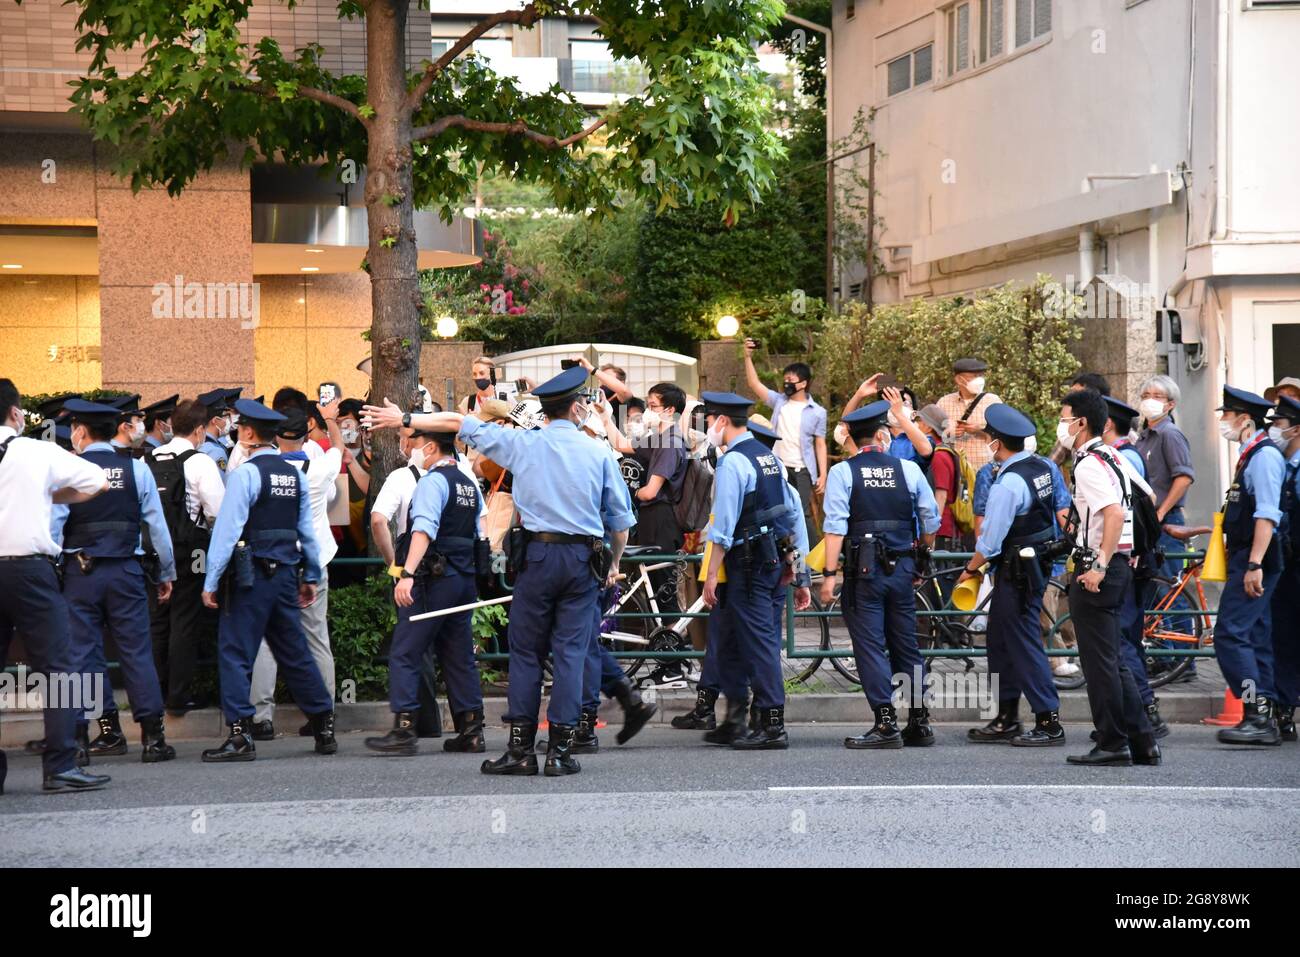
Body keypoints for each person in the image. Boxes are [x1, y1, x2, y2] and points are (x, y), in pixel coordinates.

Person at [365, 366, 635, 777]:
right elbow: (620, 523)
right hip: (583, 562)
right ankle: (560, 752)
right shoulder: (597, 451)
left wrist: (404, 419)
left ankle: (520, 751)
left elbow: (458, 422)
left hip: (538, 558)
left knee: (525, 653)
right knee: (571, 654)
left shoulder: (523, 444)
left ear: (543, 409)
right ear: (577, 407)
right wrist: (613, 563)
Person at [199, 399, 337, 762]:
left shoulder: (245, 473)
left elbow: (227, 532)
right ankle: (323, 724)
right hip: (287, 573)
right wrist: (310, 573)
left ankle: (241, 734)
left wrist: (211, 580)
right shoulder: (294, 475)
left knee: (235, 651)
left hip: (250, 577)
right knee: (295, 652)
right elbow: (305, 530)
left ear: (247, 433)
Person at [0, 380, 112, 793]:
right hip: (30, 572)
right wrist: (53, 495)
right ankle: (60, 766)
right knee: (60, 669)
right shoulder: (38, 451)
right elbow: (98, 481)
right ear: (16, 413)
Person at [52, 399, 178, 764]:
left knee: (81, 654)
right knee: (136, 652)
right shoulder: (137, 469)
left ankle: (83, 739)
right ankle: (153, 739)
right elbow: (157, 527)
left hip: (80, 572)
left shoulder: (69, 469)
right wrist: (166, 573)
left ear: (81, 431)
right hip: (127, 572)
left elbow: (54, 527)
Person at [820, 400, 941, 749]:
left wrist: (830, 576)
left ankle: (886, 723)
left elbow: (835, 528)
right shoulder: (907, 470)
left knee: (871, 646)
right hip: (903, 568)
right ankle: (919, 721)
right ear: (881, 435)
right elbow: (930, 519)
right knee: (906, 644)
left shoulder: (844, 472)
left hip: (864, 572)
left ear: (855, 441)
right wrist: (921, 553)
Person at [699, 391, 811, 750]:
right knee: (730, 642)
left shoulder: (734, 462)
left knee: (760, 644)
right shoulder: (770, 459)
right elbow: (790, 515)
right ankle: (735, 720)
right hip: (772, 560)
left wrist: (712, 575)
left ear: (720, 421)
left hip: (746, 567)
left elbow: (723, 527)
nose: (707, 429)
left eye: (709, 421)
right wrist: (797, 565)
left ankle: (772, 723)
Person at [365, 428, 487, 756]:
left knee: (406, 650)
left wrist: (404, 573)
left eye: (415, 443)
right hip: (463, 578)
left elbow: (422, 530)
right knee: (459, 654)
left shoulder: (432, 481)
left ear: (430, 447)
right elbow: (481, 534)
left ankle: (404, 731)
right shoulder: (467, 483)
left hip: (432, 578)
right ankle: (472, 730)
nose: (411, 449)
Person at [1056, 389, 1160, 766]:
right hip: (1119, 565)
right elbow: (1145, 497)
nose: (1062, 425)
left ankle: (1113, 743)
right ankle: (1143, 741)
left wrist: (1099, 563)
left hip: (1097, 568)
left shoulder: (1087, 464)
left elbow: (1114, 513)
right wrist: (1124, 552)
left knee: (1100, 664)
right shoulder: (1114, 455)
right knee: (1113, 659)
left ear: (1081, 423)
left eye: (1065, 417)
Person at [957, 404, 1067, 747]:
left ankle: (1048, 720)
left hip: (1017, 572)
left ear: (997, 443)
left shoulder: (1007, 483)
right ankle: (1006, 716)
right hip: (1033, 567)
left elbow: (990, 540)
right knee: (1000, 641)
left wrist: (970, 569)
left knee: (1021, 642)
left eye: (989, 438)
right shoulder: (1042, 468)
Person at [248, 404, 344, 740]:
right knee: (317, 638)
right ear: (306, 434)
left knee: (265, 640)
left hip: (273, 562)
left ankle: (261, 718)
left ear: (276, 436)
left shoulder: (261, 469)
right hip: (314, 562)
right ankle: (324, 716)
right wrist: (329, 418)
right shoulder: (320, 467)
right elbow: (340, 448)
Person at [1212, 385, 1287, 746]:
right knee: (1255, 634)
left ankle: (1256, 712)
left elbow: (1267, 515)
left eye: (1227, 414)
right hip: (1248, 555)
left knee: (1229, 634)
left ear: (1245, 419)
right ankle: (1266, 713)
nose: (1223, 421)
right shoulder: (1251, 454)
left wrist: (1255, 563)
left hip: (1257, 558)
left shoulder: (1264, 456)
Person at [149, 399, 226, 714]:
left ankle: (153, 693)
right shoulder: (200, 462)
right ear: (198, 430)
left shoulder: (148, 458)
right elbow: (218, 512)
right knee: (185, 622)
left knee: (157, 623)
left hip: (154, 550)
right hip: (190, 549)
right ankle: (178, 698)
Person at [1102, 396, 1168, 738]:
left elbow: (1128, 512)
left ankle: (1145, 712)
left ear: (1107, 425)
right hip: (1136, 559)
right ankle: (1144, 710)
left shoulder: (1122, 459)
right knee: (1127, 638)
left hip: (1128, 560)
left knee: (1122, 639)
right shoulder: (1129, 455)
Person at [1133, 374, 1197, 669]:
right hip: (1149, 522)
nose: (1149, 399)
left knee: (1170, 588)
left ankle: (1184, 661)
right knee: (1156, 589)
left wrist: (1160, 513)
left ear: (1170, 404)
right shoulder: (1144, 436)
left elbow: (1183, 478)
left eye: (1157, 396)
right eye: (1146, 394)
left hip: (1166, 521)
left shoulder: (1170, 435)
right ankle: (1166, 653)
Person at [741, 340, 827, 540]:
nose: (786, 383)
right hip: (778, 466)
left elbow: (820, 443)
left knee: (802, 513)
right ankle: (783, 557)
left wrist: (823, 474)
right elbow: (754, 384)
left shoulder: (818, 412)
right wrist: (747, 356)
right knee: (776, 510)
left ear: (803, 383)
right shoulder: (779, 401)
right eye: (785, 379)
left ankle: (811, 560)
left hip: (803, 469)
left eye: (791, 379)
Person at [1266, 394, 1300, 741]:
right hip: (1285, 569)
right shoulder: (1280, 464)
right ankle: (1284, 711)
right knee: (1284, 641)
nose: (1274, 429)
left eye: (1279, 423)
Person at [843, 374, 933, 464]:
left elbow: (926, 450)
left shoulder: (919, 439)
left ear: (914, 411)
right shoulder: (877, 436)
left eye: (905, 403)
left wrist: (899, 415)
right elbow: (846, 426)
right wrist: (859, 395)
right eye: (892, 403)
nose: (897, 406)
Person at [937, 358, 1001, 472]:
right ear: (959, 379)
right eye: (974, 376)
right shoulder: (944, 402)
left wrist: (980, 430)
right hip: (954, 470)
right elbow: (933, 436)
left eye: (981, 375)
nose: (979, 380)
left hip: (984, 468)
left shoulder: (992, 401)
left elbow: (1004, 434)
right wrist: (948, 433)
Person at [196, 388, 241, 478]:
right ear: (215, 420)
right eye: (226, 416)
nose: (228, 420)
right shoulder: (215, 451)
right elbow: (220, 484)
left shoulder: (200, 443)